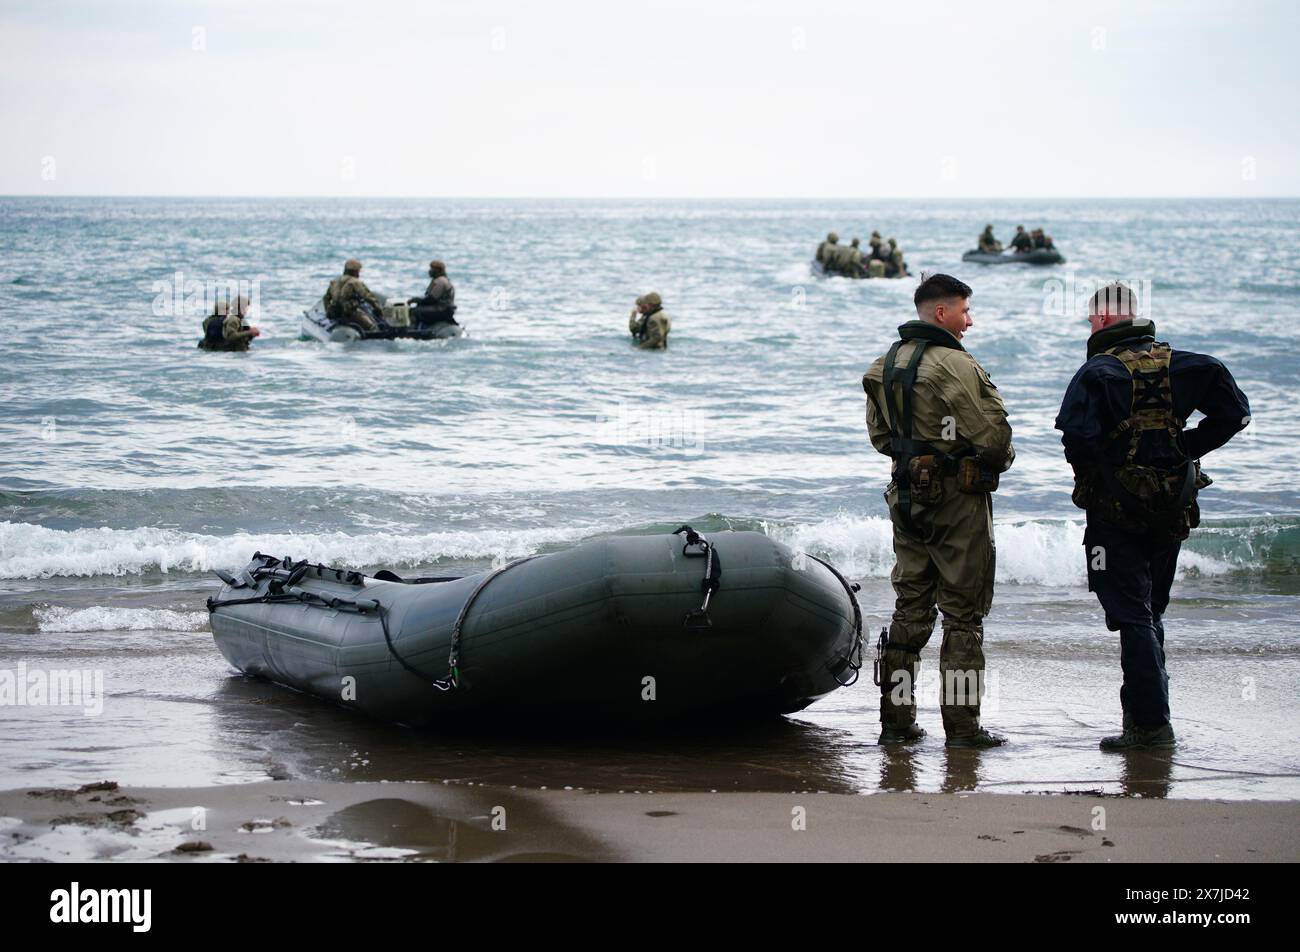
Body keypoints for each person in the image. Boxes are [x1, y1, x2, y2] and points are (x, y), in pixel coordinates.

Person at [1055, 283, 1250, 751]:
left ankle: (1150, 728)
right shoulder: (1193, 365)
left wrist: (1109, 470)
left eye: (1090, 320)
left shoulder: (1096, 373)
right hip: (1172, 510)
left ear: (1102, 320)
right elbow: (1236, 414)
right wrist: (1184, 448)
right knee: (1150, 609)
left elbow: (1075, 440)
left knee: (1130, 614)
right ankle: (1147, 719)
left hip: (1112, 518)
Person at [862, 274, 1014, 748]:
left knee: (910, 608)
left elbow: (881, 438)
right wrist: (994, 460)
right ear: (941, 313)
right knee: (963, 615)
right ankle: (964, 729)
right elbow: (993, 440)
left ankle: (897, 723)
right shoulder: (953, 364)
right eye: (965, 311)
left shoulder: (883, 364)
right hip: (955, 501)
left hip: (905, 496)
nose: (970, 321)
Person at [323, 259, 383, 332]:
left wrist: (328, 312)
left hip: (334, 313)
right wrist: (379, 310)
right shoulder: (355, 282)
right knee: (373, 327)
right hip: (350, 313)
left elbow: (326, 298)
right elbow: (369, 298)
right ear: (355, 272)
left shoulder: (335, 281)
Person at [409, 260, 457, 327]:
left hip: (442, 310)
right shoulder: (441, 280)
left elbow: (431, 299)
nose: (429, 271)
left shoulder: (440, 281)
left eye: (432, 269)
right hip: (444, 309)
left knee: (414, 311)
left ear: (438, 270)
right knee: (419, 307)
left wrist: (416, 300)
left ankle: (412, 330)